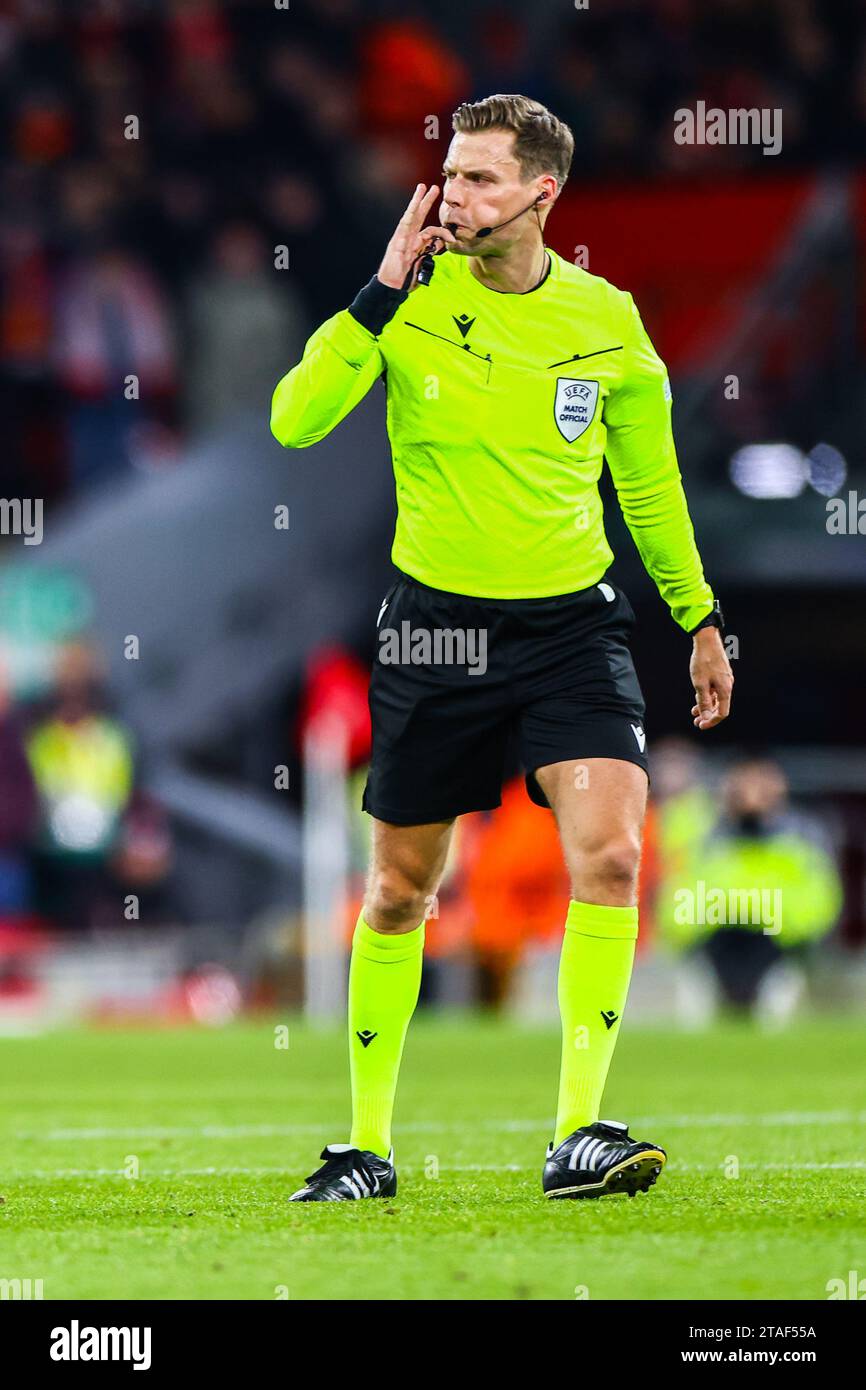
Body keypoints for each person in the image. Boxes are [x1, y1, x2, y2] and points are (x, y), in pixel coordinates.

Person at [271, 94, 733, 1202]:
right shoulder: (405, 307)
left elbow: (650, 488)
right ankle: (365, 1147)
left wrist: (697, 616)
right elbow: (294, 417)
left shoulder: (606, 322)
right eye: (448, 171)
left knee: (613, 856)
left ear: (541, 193)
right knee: (396, 891)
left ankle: (578, 1130)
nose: (450, 195)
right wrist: (376, 297)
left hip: (572, 626)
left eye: (479, 177)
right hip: (435, 629)